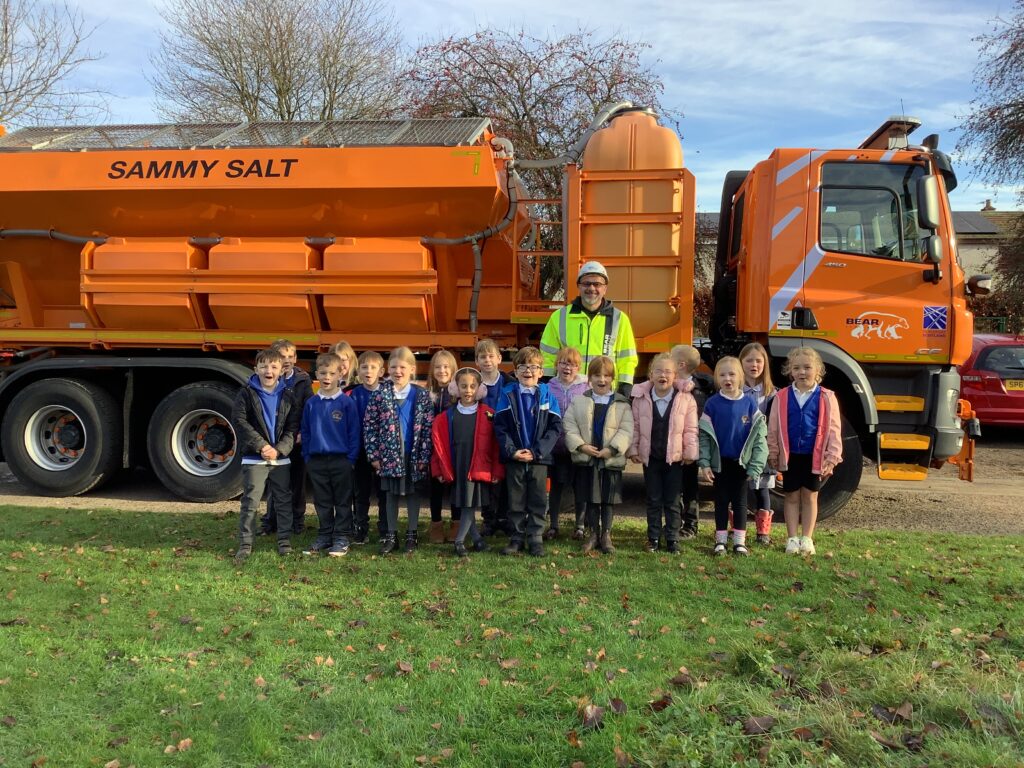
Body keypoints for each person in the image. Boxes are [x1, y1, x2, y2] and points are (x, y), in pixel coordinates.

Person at [766, 347, 843, 556]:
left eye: (807, 367)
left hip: (814, 456)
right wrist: (773, 452)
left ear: (818, 370)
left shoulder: (827, 397)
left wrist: (832, 456)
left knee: (810, 496)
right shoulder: (781, 397)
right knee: (790, 496)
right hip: (790, 456)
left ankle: (807, 538)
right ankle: (792, 538)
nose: (802, 372)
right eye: (797, 368)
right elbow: (773, 427)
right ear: (790, 371)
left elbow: (835, 429)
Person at [231, 347, 302, 564]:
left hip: (280, 458)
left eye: (273, 366)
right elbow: (240, 421)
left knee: (282, 499)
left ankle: (284, 541)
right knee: (251, 501)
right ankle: (245, 543)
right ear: (256, 369)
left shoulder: (289, 396)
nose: (268, 370)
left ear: (281, 370)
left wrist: (279, 449)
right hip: (254, 457)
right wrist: (262, 445)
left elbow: (293, 427)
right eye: (263, 366)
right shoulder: (246, 393)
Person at [363, 347, 433, 554]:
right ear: (387, 369)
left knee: (413, 493)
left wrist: (424, 455)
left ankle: (412, 534)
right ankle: (391, 535)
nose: (398, 371)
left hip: (413, 455)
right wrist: (373, 455)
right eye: (393, 367)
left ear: (412, 369)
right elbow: (369, 426)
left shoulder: (421, 395)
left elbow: (428, 427)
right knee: (390, 495)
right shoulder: (380, 395)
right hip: (389, 455)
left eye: (402, 367)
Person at [493, 346, 562, 557]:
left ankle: (535, 538)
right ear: (515, 371)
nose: (528, 371)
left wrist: (538, 451)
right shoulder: (507, 394)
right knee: (515, 499)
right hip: (515, 458)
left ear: (541, 372)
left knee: (538, 499)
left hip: (539, 459)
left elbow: (555, 427)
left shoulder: (548, 396)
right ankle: (516, 537)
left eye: (534, 367)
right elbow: (500, 427)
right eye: (522, 366)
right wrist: (512, 452)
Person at [697, 357, 768, 557]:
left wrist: (755, 466)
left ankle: (739, 542)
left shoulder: (749, 403)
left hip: (741, 464)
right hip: (720, 463)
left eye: (732, 374)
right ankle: (720, 541)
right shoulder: (712, 404)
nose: (727, 378)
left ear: (740, 377)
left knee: (740, 503)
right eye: (722, 375)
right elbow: (704, 436)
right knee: (720, 502)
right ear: (717, 378)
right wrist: (704, 462)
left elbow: (759, 439)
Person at [628, 353, 698, 554]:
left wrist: (689, 453)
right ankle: (653, 538)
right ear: (650, 374)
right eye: (658, 370)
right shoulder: (640, 399)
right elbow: (634, 426)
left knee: (673, 501)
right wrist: (634, 449)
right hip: (651, 459)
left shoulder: (685, 399)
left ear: (675, 375)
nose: (663, 375)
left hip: (674, 460)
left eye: (668, 371)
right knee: (653, 499)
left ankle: (672, 539)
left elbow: (691, 429)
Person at [563, 356, 634, 554]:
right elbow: (569, 425)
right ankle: (593, 534)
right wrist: (581, 446)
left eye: (606, 376)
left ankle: (607, 535)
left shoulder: (621, 403)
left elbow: (627, 430)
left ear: (612, 379)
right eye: (596, 375)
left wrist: (611, 449)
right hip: (588, 459)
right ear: (589, 378)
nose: (601, 379)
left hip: (609, 459)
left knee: (607, 498)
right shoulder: (580, 401)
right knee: (592, 497)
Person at [430, 368, 503, 557]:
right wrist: (439, 469)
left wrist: (496, 471)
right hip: (457, 465)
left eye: (472, 386)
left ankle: (462, 540)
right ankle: (473, 540)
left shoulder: (488, 415)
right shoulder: (446, 416)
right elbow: (438, 447)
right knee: (465, 504)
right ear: (456, 388)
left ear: (479, 389)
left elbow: (496, 446)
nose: (468, 390)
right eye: (463, 386)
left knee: (469, 505)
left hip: (477, 465)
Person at [539, 261, 639, 396]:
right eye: (586, 283)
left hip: (605, 392)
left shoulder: (619, 319)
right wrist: (548, 386)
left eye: (597, 284)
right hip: (568, 392)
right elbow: (548, 355)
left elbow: (627, 359)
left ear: (605, 288)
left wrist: (624, 389)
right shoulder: (559, 317)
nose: (591, 288)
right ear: (579, 287)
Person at [301, 352, 361, 557]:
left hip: (341, 460)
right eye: (323, 373)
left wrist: (350, 459)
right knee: (322, 501)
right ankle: (325, 535)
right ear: (317, 374)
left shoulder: (346, 403)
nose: (327, 377)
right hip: (317, 461)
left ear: (340, 375)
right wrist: (308, 457)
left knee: (342, 500)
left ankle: (342, 537)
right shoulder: (311, 403)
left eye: (331, 373)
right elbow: (306, 431)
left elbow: (354, 433)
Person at [258, 338, 314, 536]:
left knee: (298, 484)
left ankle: (297, 522)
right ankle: (270, 522)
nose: (288, 360)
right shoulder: (270, 378)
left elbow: (309, 408)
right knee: (276, 484)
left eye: (291, 356)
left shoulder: (303, 379)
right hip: (275, 440)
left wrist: (302, 433)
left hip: (297, 440)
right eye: (283, 356)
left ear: (296, 358)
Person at [671, 344, 714, 538]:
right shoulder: (668, 385)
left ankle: (690, 526)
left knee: (689, 486)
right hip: (672, 446)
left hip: (690, 447)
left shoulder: (701, 389)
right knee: (673, 487)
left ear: (680, 365)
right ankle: (674, 523)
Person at [546, 346, 589, 540]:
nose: (567, 368)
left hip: (578, 446)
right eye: (563, 362)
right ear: (556, 365)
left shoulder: (586, 388)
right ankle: (553, 525)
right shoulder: (548, 387)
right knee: (556, 486)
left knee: (580, 486)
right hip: (556, 446)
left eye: (572, 364)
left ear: (578, 367)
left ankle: (579, 526)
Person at [345, 350, 385, 544]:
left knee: (383, 491)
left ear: (381, 371)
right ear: (358, 371)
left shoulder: (387, 393)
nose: (368, 371)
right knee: (360, 491)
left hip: (383, 452)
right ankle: (360, 527)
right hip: (360, 451)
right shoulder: (352, 394)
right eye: (364, 367)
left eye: (373, 367)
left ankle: (385, 528)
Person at [740, 342, 777, 545]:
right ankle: (738, 529)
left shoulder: (772, 394)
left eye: (758, 360)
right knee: (740, 489)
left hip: (761, 448)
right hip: (740, 447)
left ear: (765, 364)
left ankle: (763, 532)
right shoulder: (734, 390)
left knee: (762, 488)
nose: (754, 364)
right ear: (741, 363)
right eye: (749, 360)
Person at [475, 339, 512, 536]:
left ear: (499, 358)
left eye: (491, 356)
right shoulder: (473, 384)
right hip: (481, 438)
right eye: (483, 357)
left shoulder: (509, 383)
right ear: (476, 361)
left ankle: (504, 517)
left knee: (503, 476)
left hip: (503, 436)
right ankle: (488, 518)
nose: (487, 360)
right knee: (484, 477)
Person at [427, 349, 459, 544]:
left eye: (446, 367)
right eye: (438, 367)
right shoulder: (427, 394)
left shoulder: (457, 394)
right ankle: (436, 524)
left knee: (454, 489)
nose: (442, 370)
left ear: (453, 369)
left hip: (453, 448)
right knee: (435, 489)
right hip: (433, 450)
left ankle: (456, 524)